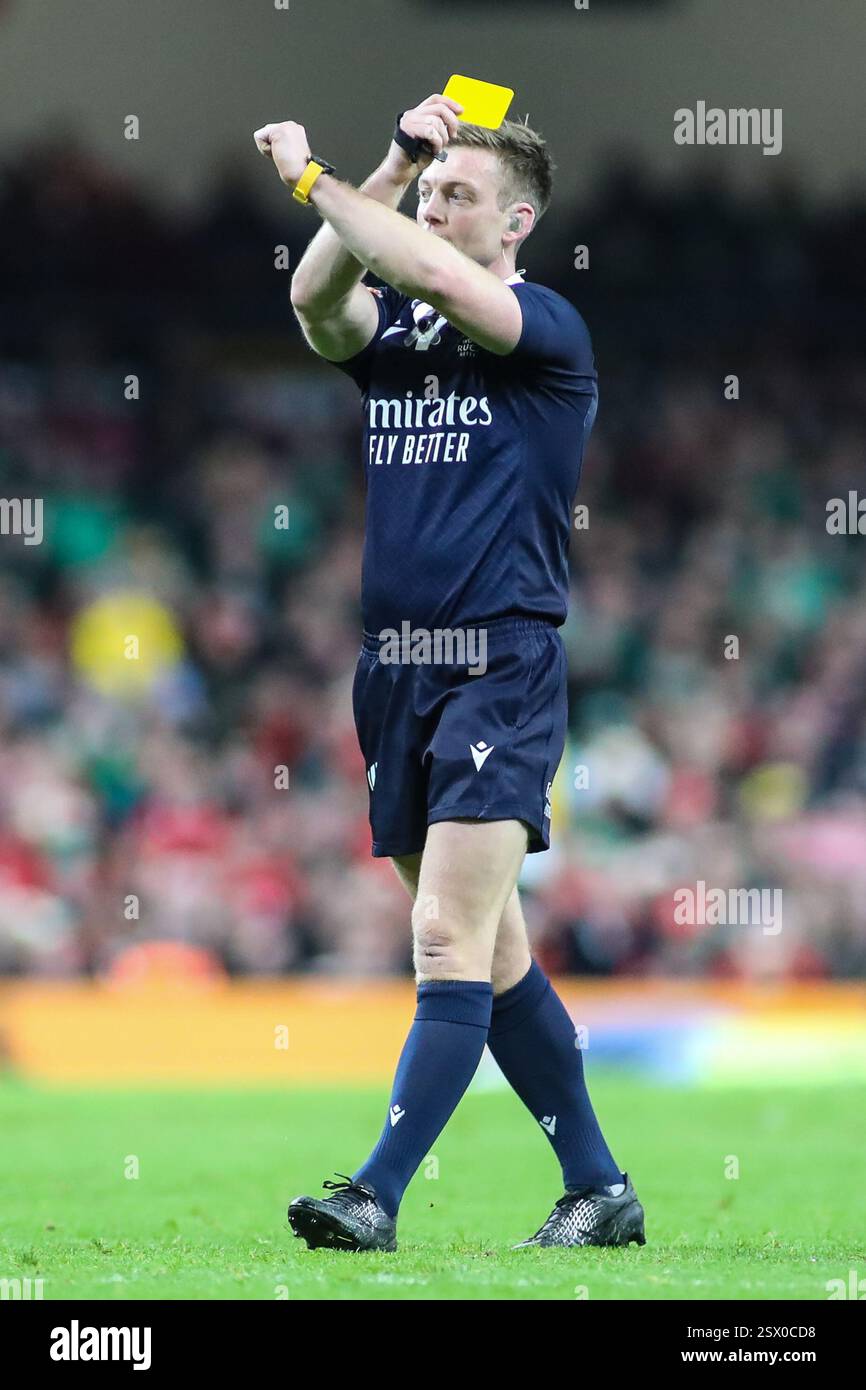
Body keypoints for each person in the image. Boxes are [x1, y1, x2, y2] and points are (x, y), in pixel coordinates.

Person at [253, 93, 645, 1251]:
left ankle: (371, 1193)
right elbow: (315, 299)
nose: (434, 205)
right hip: (395, 672)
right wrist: (379, 167)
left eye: (457, 191)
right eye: (429, 192)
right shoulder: (401, 345)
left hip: (498, 662)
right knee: (493, 949)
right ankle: (599, 1187)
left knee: (441, 939)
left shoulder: (544, 326)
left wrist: (312, 178)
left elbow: (428, 276)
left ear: (517, 220)